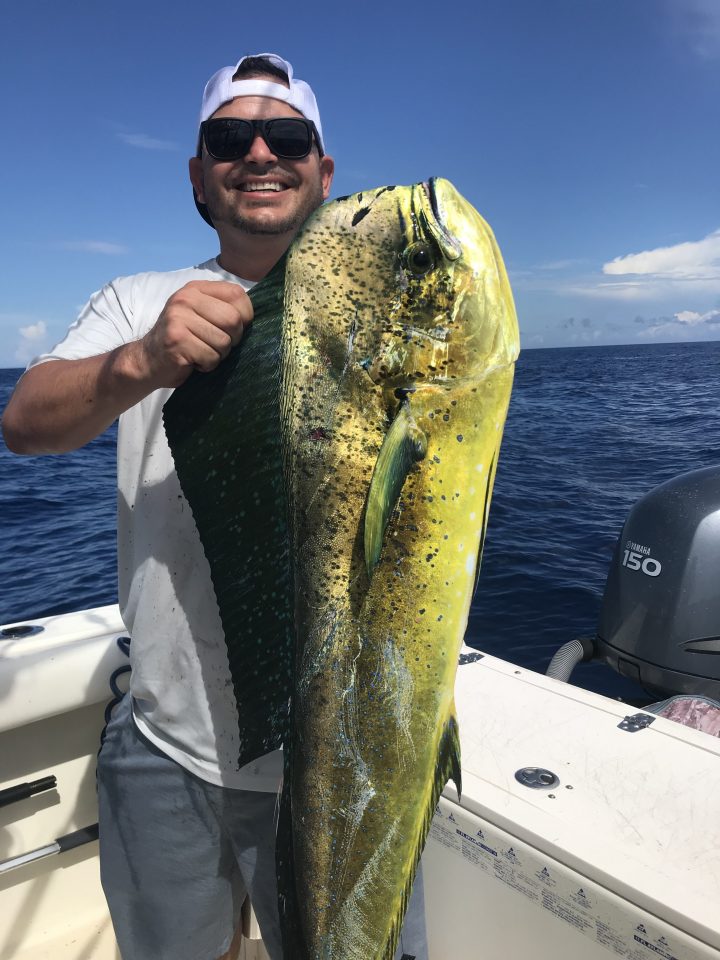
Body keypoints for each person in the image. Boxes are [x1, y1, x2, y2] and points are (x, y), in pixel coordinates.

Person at [2, 53, 334, 960]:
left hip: (335, 759)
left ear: (323, 169)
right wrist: (143, 360)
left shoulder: (366, 319)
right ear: (198, 172)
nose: (259, 152)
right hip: (163, 741)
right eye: (231, 137)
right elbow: (25, 425)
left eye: (287, 135)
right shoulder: (136, 301)